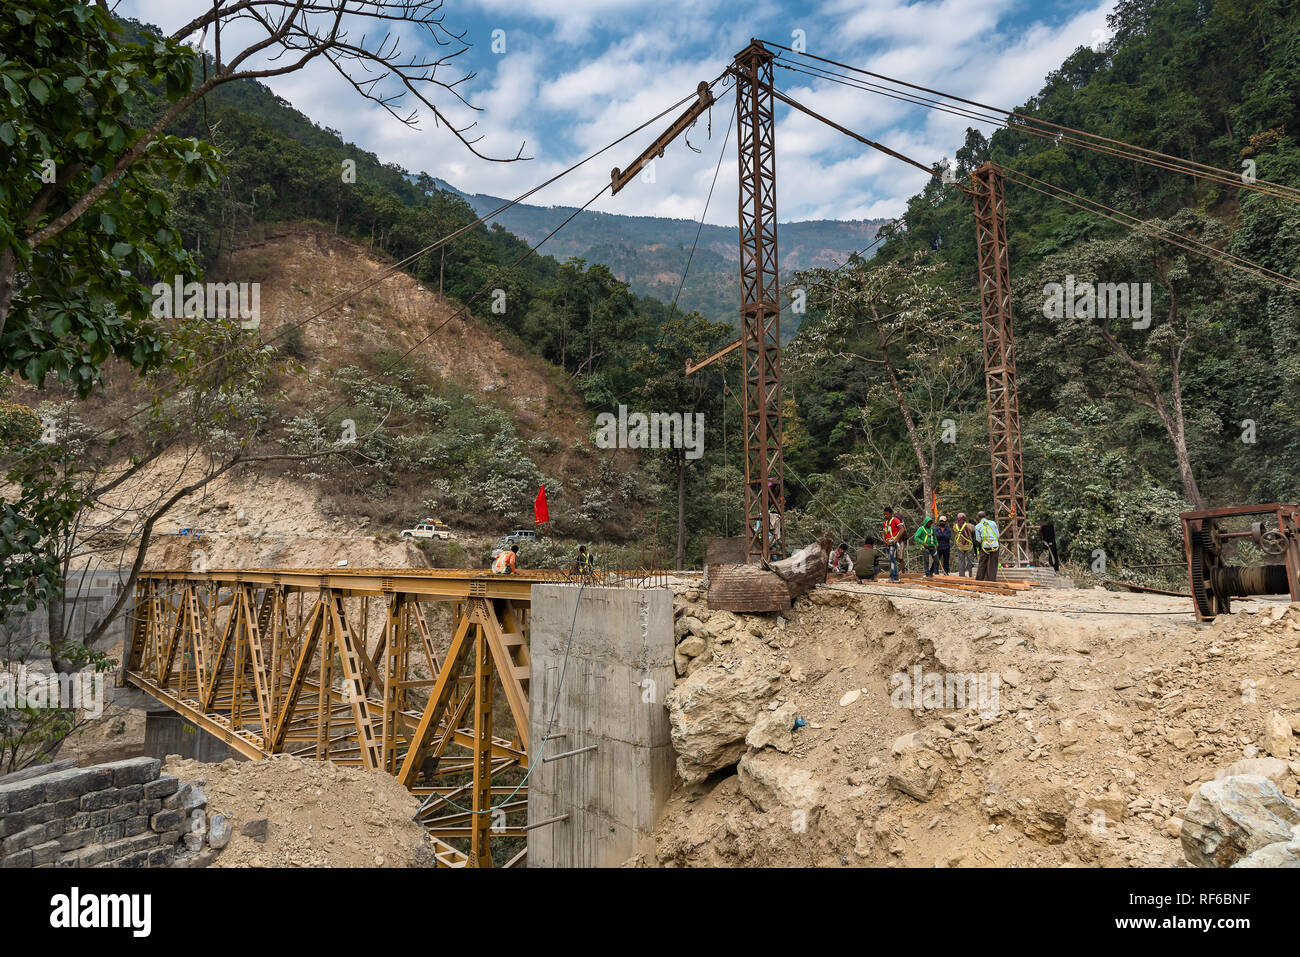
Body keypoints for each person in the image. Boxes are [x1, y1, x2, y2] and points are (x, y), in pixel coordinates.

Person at [974, 510, 1000, 581]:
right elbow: (997, 535)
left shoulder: (977, 526)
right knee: (993, 563)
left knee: (982, 562)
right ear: (985, 516)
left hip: (985, 546)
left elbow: (978, 539)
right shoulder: (993, 523)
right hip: (995, 545)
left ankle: (980, 579)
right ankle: (991, 580)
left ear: (978, 517)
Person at [882, 507, 903, 582]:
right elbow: (884, 533)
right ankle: (896, 577)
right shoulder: (885, 523)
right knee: (892, 560)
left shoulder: (895, 520)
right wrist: (884, 540)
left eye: (887, 514)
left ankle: (892, 577)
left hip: (893, 543)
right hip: (888, 543)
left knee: (892, 560)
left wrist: (896, 539)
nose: (885, 516)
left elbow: (902, 529)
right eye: (884, 514)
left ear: (891, 514)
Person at [953, 512, 975, 577]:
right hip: (969, 546)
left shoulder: (955, 526)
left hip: (960, 546)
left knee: (961, 561)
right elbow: (974, 530)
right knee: (970, 561)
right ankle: (971, 575)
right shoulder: (969, 526)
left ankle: (961, 575)